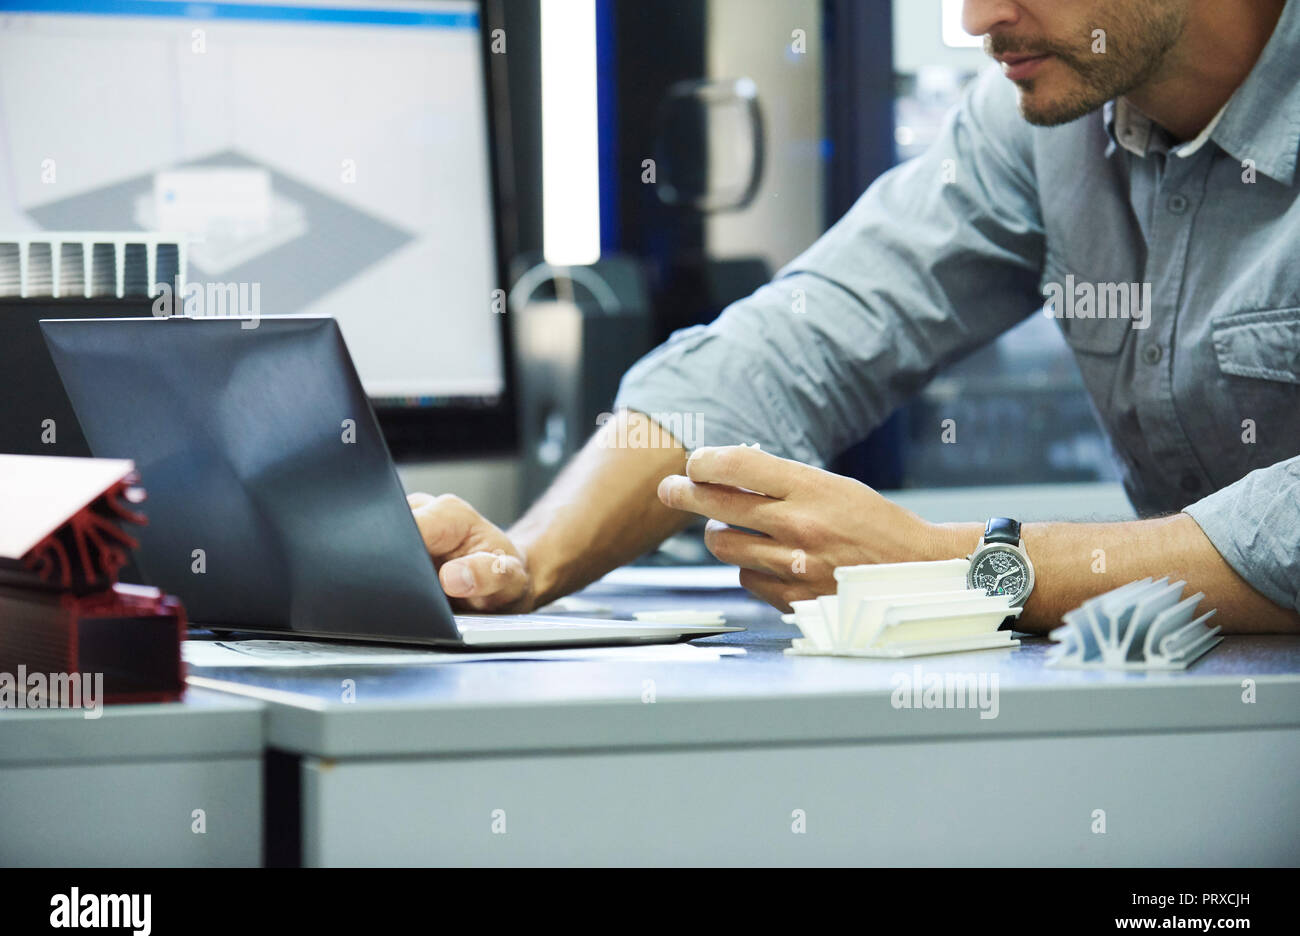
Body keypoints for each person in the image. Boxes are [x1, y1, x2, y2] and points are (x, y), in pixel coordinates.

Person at [409, 0, 1300, 633]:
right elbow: (793, 343)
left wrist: (952, 566)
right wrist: (527, 562)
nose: (974, 19)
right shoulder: (1040, 126)